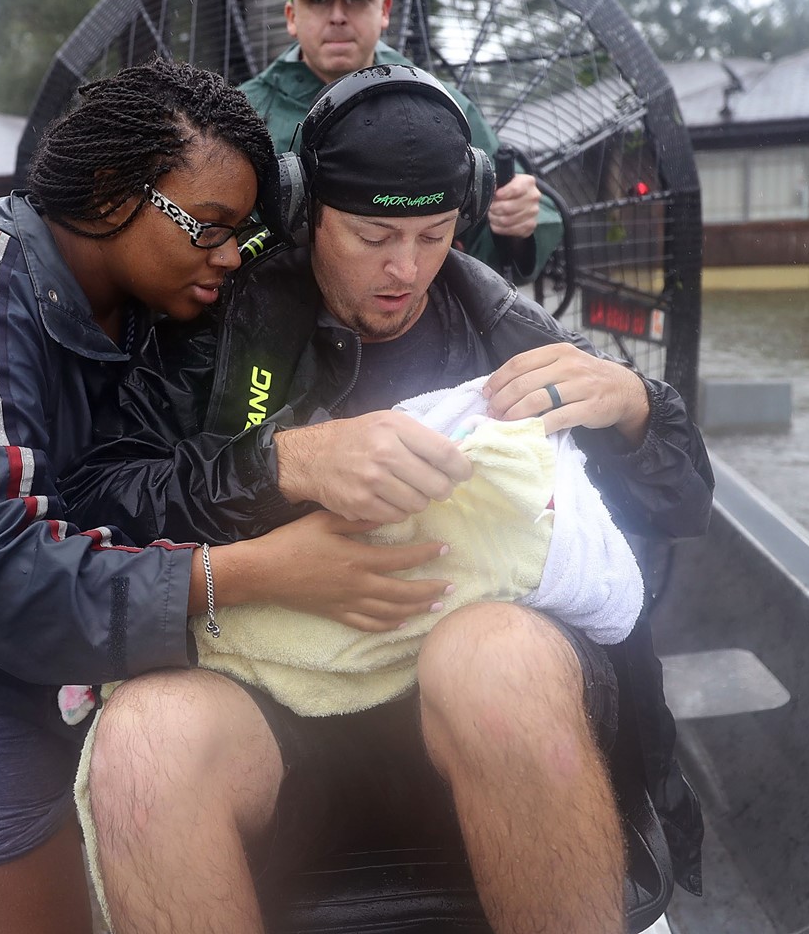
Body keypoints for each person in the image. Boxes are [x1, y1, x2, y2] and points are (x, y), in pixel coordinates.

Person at [61, 63, 713, 932]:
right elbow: (95, 500)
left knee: (499, 659)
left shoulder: (504, 327)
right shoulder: (214, 326)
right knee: (143, 740)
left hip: (470, 710)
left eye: (434, 235)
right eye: (371, 237)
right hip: (276, 716)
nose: (405, 269)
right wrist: (278, 465)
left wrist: (637, 409)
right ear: (305, 210)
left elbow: (682, 507)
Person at [0, 57, 459, 934]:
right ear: (106, 193)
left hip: (116, 614)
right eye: (209, 228)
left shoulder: (159, 290)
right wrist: (262, 569)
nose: (231, 256)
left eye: (243, 231)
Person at [239, 0, 566, 285]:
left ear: (384, 11)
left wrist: (515, 221)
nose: (338, 15)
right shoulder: (244, 113)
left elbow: (499, 236)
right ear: (291, 16)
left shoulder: (441, 105)